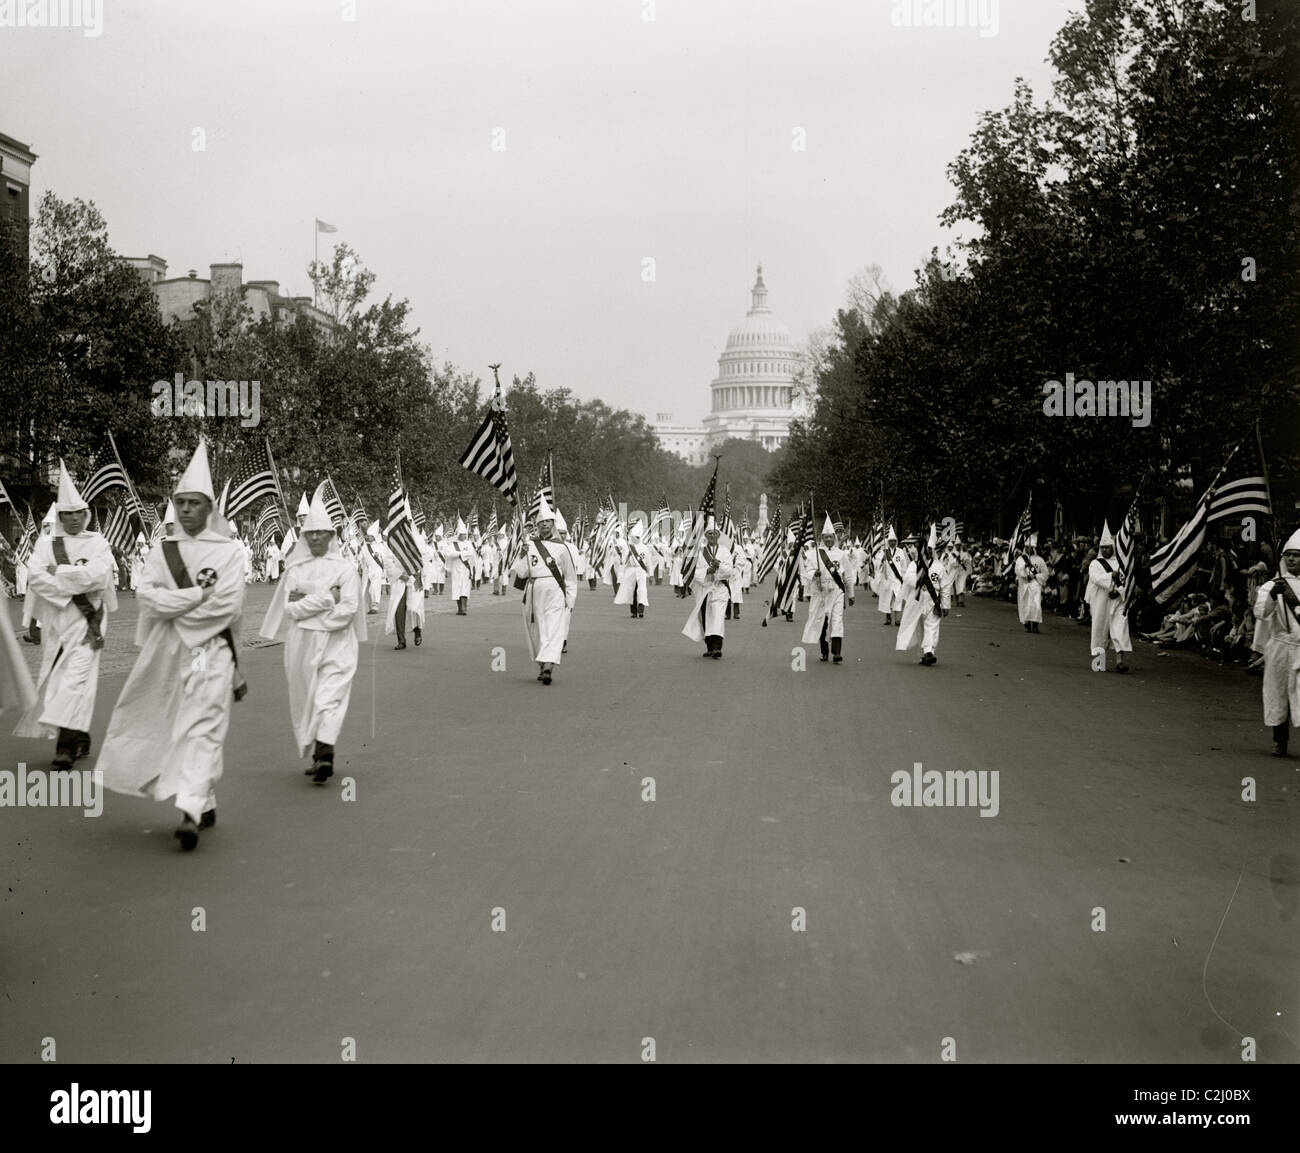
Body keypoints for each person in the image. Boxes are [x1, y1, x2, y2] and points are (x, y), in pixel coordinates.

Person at [97, 437, 247, 851]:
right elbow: (146, 595)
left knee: (203, 724)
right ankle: (204, 795)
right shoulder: (164, 551)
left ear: (209, 508)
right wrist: (194, 598)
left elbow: (227, 608)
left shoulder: (230, 553)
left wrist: (175, 606)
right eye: (180, 503)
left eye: (194, 503)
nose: (185, 510)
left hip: (210, 651)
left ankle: (190, 810)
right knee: (178, 722)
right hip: (168, 652)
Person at [13, 461, 116, 767]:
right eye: (66, 514)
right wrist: (73, 577)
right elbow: (36, 578)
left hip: (87, 624)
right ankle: (79, 736)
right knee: (63, 683)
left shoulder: (98, 543)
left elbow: (100, 577)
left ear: (86, 514)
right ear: (60, 515)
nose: (73, 519)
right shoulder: (46, 544)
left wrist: (60, 573)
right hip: (57, 625)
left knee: (74, 681)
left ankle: (65, 748)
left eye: (78, 513)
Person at [260, 492, 365, 784]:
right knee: (306, 698)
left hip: (338, 643)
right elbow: (290, 609)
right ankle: (318, 752)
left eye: (322, 533)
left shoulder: (346, 570)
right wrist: (326, 598)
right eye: (311, 533)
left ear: (331, 535)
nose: (316, 538)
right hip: (301, 645)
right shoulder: (295, 569)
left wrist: (312, 604)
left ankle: (326, 755)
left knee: (328, 698)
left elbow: (348, 610)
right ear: (304, 537)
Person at [511, 494, 575, 685]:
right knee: (538, 628)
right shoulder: (529, 545)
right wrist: (522, 554)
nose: (545, 525)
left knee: (554, 627)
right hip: (534, 590)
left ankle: (549, 666)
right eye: (542, 522)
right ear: (537, 525)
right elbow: (521, 573)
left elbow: (570, 577)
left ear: (553, 524)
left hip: (555, 590)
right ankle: (542, 662)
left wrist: (570, 600)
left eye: (549, 522)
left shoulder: (562, 548)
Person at [1253, 528, 1300, 757]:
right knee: (1277, 693)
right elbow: (1260, 613)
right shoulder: (1274, 584)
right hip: (1281, 645)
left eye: (1297, 555)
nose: (1291, 559)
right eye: (1288, 554)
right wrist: (1273, 595)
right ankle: (1279, 741)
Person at [896, 525, 951, 666]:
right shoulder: (914, 565)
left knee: (932, 625)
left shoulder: (939, 566)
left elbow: (945, 587)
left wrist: (945, 605)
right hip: (917, 597)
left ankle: (929, 651)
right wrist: (920, 581)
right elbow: (908, 579)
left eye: (929, 550)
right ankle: (923, 652)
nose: (926, 552)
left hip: (933, 599)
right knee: (918, 625)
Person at [682, 517, 734, 658]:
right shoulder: (700, 552)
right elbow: (694, 571)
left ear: (719, 535)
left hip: (719, 589)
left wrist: (719, 566)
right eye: (709, 533)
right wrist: (707, 571)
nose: (712, 536)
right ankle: (710, 647)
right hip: (704, 589)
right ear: (705, 536)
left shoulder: (725, 552)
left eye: (715, 533)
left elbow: (730, 571)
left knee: (717, 617)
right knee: (706, 618)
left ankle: (717, 647)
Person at [1086, 522, 1131, 672]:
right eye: (1103, 547)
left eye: (1108, 547)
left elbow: (1127, 581)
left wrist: (1119, 591)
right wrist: (1111, 575)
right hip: (1101, 601)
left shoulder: (1121, 563)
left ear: (1113, 547)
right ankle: (1099, 661)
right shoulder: (1095, 563)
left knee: (1119, 628)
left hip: (1117, 601)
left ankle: (1119, 661)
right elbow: (1096, 578)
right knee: (1100, 630)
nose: (1105, 550)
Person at [802, 514, 847, 663]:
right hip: (820, 592)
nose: (828, 539)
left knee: (837, 620)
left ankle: (837, 653)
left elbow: (849, 576)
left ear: (834, 537)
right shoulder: (815, 554)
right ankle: (824, 651)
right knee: (822, 621)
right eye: (826, 537)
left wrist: (851, 594)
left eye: (830, 537)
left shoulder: (841, 554)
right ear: (822, 537)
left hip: (837, 591)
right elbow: (806, 571)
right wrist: (814, 573)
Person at [615, 521, 651, 619]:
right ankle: (633, 611)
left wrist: (650, 574)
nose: (635, 539)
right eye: (633, 537)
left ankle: (641, 610)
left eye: (636, 537)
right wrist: (626, 553)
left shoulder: (645, 548)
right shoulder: (629, 548)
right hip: (631, 570)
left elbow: (648, 562)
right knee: (632, 591)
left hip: (641, 570)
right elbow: (624, 561)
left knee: (642, 590)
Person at [1015, 533, 1048, 633]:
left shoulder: (1040, 560)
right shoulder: (1021, 559)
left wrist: (1036, 576)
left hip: (1035, 584)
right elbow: (1017, 570)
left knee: (1036, 604)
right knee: (1025, 604)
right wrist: (1024, 570)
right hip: (1024, 584)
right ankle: (1027, 624)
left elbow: (1045, 573)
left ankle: (1035, 625)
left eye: (1030, 547)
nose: (1028, 549)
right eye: (1027, 547)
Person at [440, 518, 474, 615]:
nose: (464, 536)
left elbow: (471, 553)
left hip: (466, 569)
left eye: (465, 534)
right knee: (457, 588)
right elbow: (449, 554)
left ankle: (464, 608)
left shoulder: (468, 543)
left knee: (465, 588)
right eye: (462, 534)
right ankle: (459, 608)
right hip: (456, 568)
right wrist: (460, 554)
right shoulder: (453, 544)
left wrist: (459, 554)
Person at [875, 528, 906, 626]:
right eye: (890, 541)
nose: (892, 542)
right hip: (887, 579)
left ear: (896, 542)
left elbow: (903, 566)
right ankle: (888, 618)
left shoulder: (900, 551)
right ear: (888, 542)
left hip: (897, 580)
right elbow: (877, 565)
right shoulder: (883, 552)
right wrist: (882, 560)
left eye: (894, 541)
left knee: (897, 599)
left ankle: (897, 619)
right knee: (886, 600)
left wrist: (903, 578)